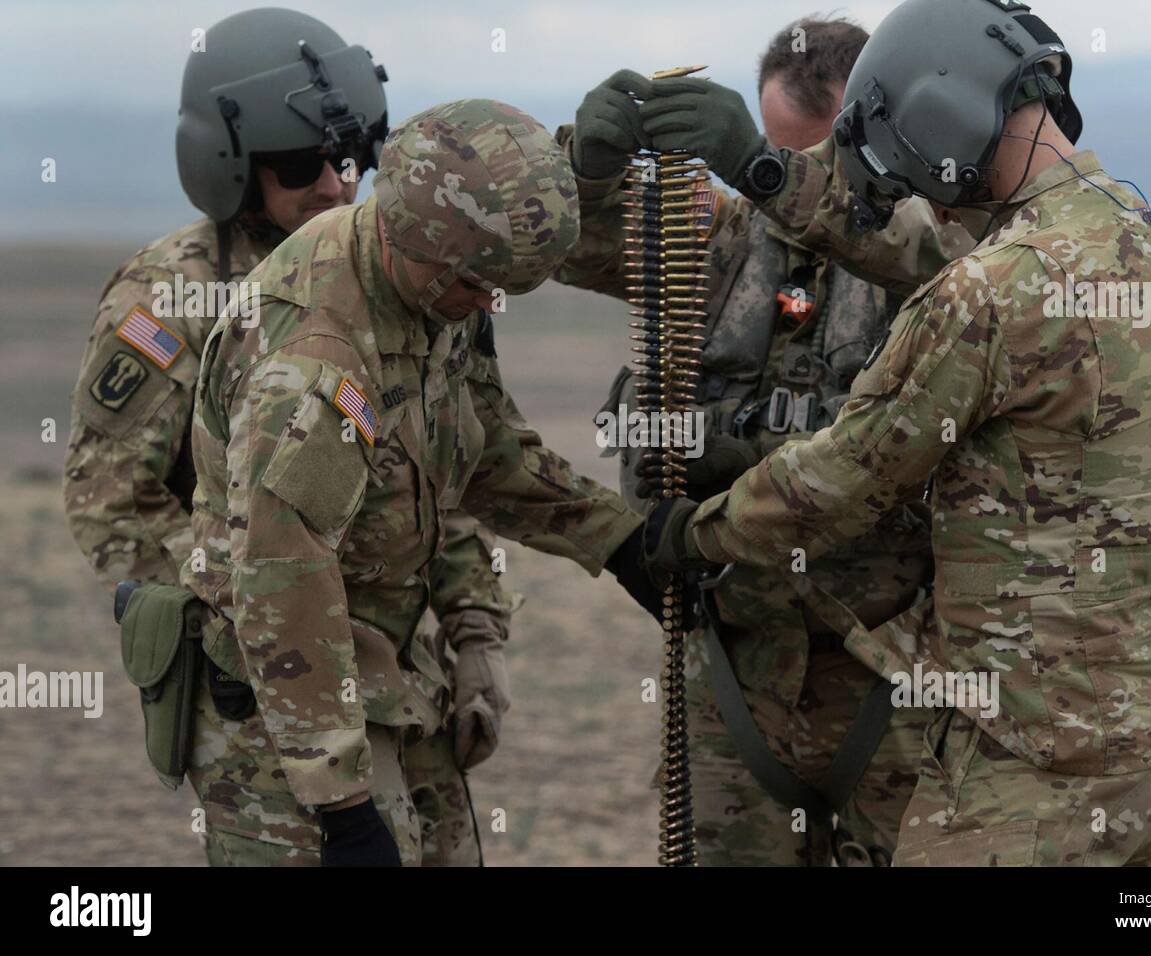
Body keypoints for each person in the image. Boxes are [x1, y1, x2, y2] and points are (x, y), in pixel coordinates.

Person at [641, 0, 1151, 865]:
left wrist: (691, 533)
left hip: (1020, 768)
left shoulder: (985, 293)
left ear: (936, 116)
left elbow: (838, 483)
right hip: (1150, 750)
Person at [62, 8, 504, 866]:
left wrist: (475, 629)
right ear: (228, 166)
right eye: (299, 166)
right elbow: (110, 502)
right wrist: (244, 598)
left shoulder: (390, 276)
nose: (335, 186)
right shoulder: (173, 296)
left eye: (349, 159)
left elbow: (441, 476)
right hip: (263, 695)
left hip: (401, 677)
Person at [184, 98, 656, 865]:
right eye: (475, 286)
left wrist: (619, 540)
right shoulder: (314, 364)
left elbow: (486, 449)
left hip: (389, 671)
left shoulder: (438, 289)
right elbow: (281, 580)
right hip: (289, 711)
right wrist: (340, 804)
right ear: (421, 247)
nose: (484, 305)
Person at [557, 16, 971, 866]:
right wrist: (586, 169)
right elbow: (561, 241)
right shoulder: (718, 237)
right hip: (735, 669)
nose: (784, 189)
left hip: (897, 678)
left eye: (809, 161)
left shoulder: (952, 256)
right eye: (767, 155)